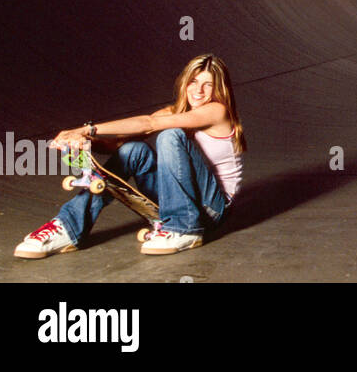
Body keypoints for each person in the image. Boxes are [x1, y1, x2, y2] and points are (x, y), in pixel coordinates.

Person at [14, 53, 246, 258]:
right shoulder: (174, 112)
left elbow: (149, 124)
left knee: (169, 135)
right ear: (185, 83)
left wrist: (87, 128)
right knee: (132, 150)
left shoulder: (218, 111)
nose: (198, 91)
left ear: (220, 90)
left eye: (208, 85)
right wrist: (85, 141)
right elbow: (117, 144)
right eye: (194, 82)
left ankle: (183, 228)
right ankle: (68, 227)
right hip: (176, 200)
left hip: (211, 209)